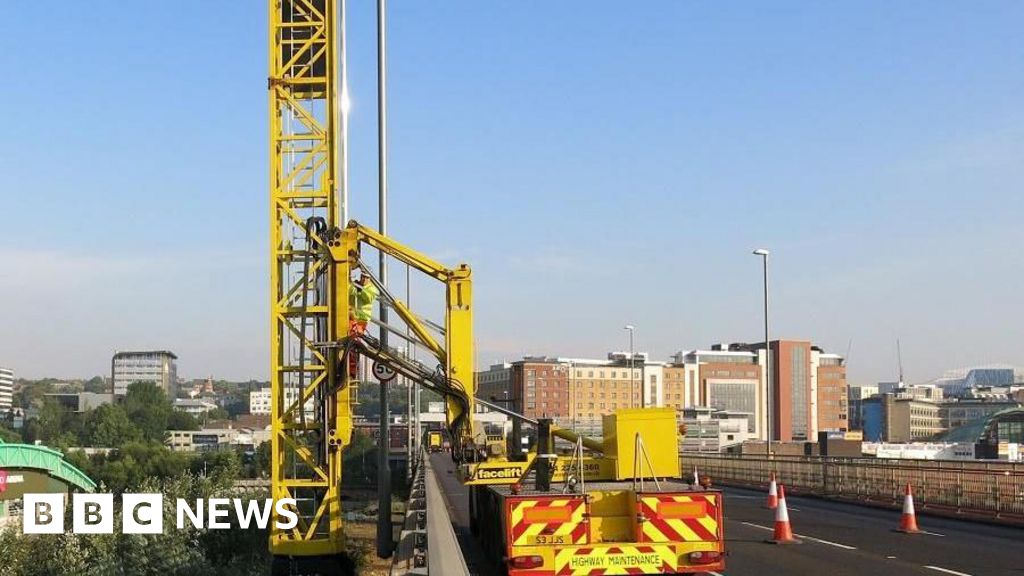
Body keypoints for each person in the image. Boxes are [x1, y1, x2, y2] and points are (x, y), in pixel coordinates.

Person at [348, 271, 379, 378]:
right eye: (362, 277)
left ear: (370, 279)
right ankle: (349, 367)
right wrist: (351, 284)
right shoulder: (356, 286)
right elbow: (348, 291)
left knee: (353, 342)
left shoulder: (372, 289)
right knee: (349, 342)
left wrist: (359, 288)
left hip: (361, 320)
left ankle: (353, 368)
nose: (363, 279)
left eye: (366, 278)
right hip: (351, 317)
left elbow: (367, 298)